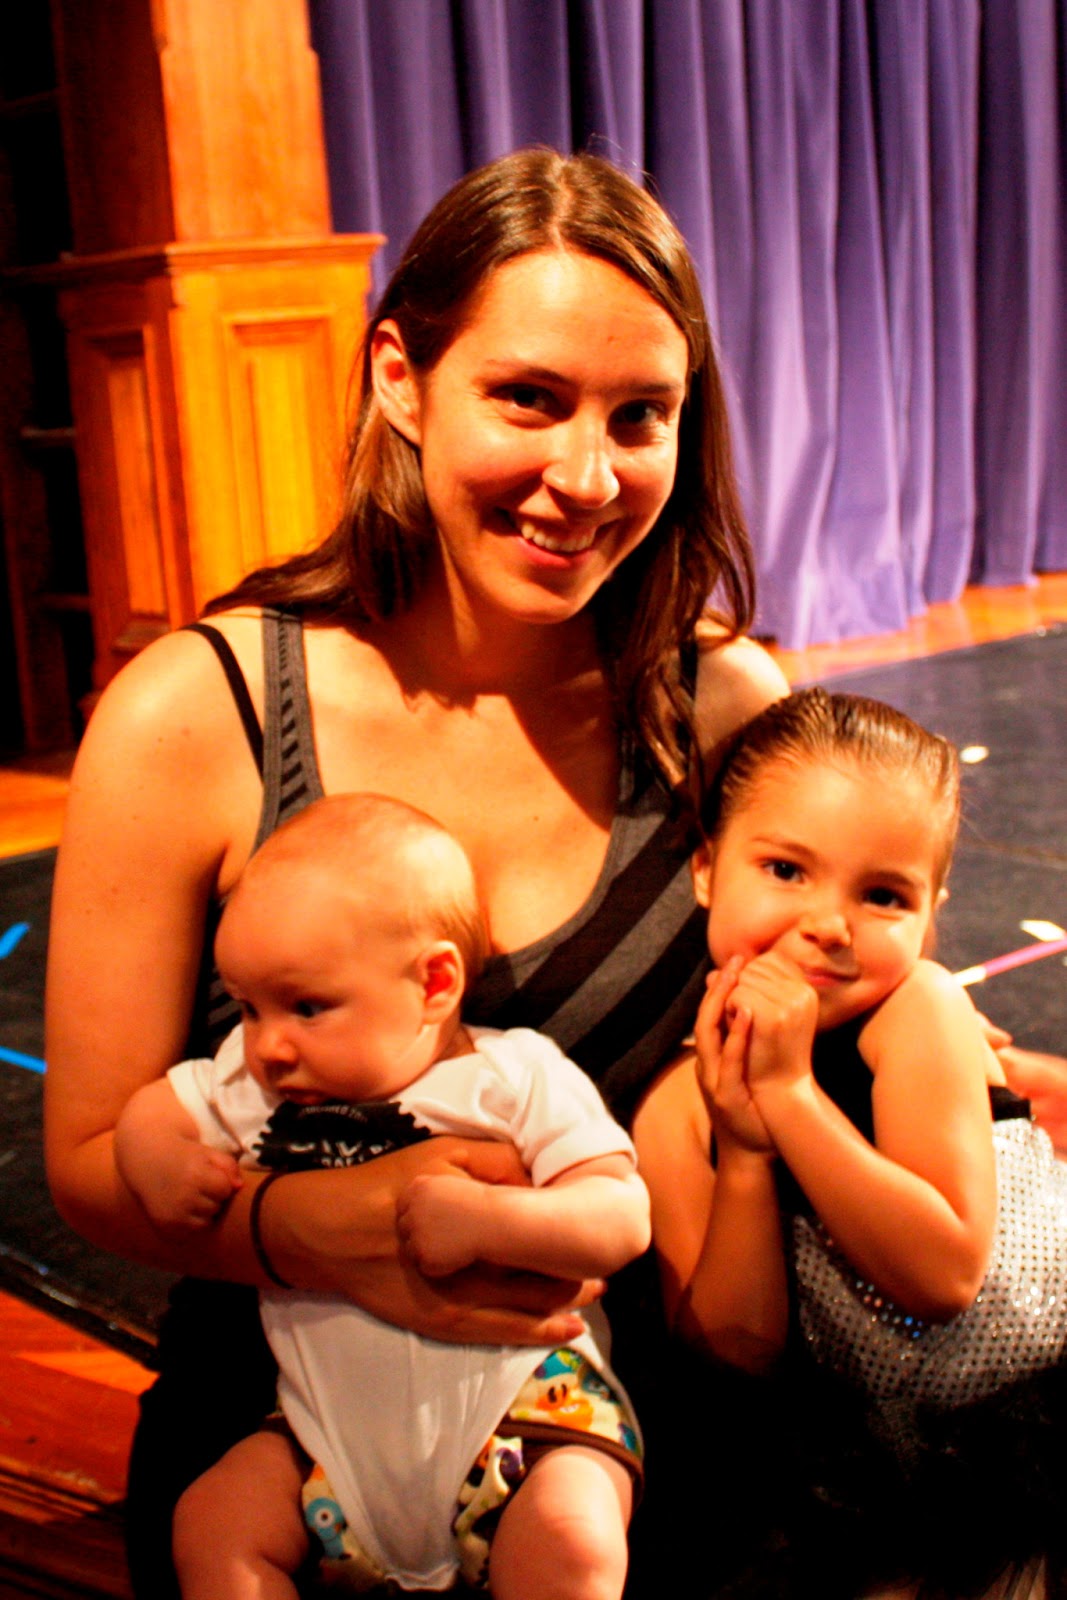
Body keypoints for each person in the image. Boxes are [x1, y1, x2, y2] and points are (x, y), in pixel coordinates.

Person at [42, 146, 789, 1598]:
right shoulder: (198, 712)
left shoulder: (715, 710)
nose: (586, 477)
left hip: (607, 1428)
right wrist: (319, 1233)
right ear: (399, 377)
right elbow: (85, 1162)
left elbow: (828, 1007)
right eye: (528, 398)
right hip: (282, 1412)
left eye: (639, 415)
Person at [115, 792, 649, 1598]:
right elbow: (150, 1110)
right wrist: (156, 1161)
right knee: (211, 1522)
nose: (268, 1046)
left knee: (573, 1543)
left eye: (307, 1007)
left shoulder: (511, 1077)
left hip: (524, 1419)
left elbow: (621, 1215)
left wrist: (491, 1220)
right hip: (325, 1436)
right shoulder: (254, 1084)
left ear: (434, 983)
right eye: (248, 1008)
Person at [634, 688, 1067, 1594]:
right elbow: (734, 1356)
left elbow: (941, 1276)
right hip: (868, 1475)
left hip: (1041, 1411)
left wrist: (789, 1099)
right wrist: (743, 1155)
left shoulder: (916, 1012)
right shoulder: (676, 1104)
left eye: (881, 896)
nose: (829, 923)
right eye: (785, 870)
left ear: (929, 913)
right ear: (707, 869)